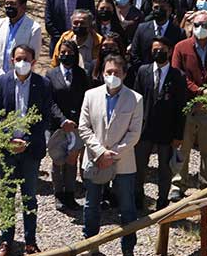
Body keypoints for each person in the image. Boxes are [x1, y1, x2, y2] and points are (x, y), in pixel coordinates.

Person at [78, 53, 143, 256]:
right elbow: (84, 127)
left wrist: (112, 154)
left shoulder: (135, 99)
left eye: (116, 72)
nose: (112, 75)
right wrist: (100, 153)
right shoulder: (91, 95)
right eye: (108, 72)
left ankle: (128, 249)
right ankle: (90, 246)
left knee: (127, 207)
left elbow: (134, 133)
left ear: (124, 74)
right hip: (95, 159)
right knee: (91, 206)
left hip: (123, 161)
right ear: (102, 73)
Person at [0, 44, 51, 256]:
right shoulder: (1, 82)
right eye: (18, 58)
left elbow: (44, 117)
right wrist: (9, 140)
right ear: (11, 60)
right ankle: (6, 240)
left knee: (29, 198)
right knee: (7, 197)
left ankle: (30, 241)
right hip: (8, 150)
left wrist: (27, 142)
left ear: (33, 62)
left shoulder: (42, 84)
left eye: (26, 59)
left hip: (30, 150)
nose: (22, 62)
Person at [169, 10, 207, 201]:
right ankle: (178, 184)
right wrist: (199, 92)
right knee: (182, 149)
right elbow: (178, 75)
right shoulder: (181, 47)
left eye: (204, 25)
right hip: (186, 106)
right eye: (196, 25)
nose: (199, 29)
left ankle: (205, 182)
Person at [128, 39, 186, 213]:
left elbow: (181, 107)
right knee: (139, 167)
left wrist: (178, 135)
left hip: (166, 131)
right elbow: (135, 100)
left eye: (161, 50)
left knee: (165, 169)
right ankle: (138, 198)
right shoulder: (143, 71)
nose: (158, 53)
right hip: (144, 129)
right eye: (154, 50)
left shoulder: (178, 76)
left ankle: (162, 201)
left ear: (168, 51)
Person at [46, 39, 89, 212]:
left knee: (72, 159)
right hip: (57, 125)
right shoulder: (50, 74)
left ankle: (70, 194)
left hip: (77, 125)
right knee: (58, 160)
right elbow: (49, 101)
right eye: (62, 53)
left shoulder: (82, 74)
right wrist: (63, 120)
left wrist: (77, 121)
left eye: (69, 53)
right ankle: (58, 194)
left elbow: (87, 99)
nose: (66, 56)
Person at [0, 0, 43, 87]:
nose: (9, 7)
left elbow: (33, 58)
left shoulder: (34, 28)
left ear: (23, 7)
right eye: (7, 4)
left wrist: (15, 75)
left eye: (12, 4)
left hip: (20, 81)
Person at [129, 0, 185, 66]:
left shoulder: (179, 32)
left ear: (170, 10)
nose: (159, 10)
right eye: (156, 7)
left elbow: (180, 57)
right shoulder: (142, 28)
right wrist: (144, 71)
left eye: (162, 8)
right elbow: (134, 53)